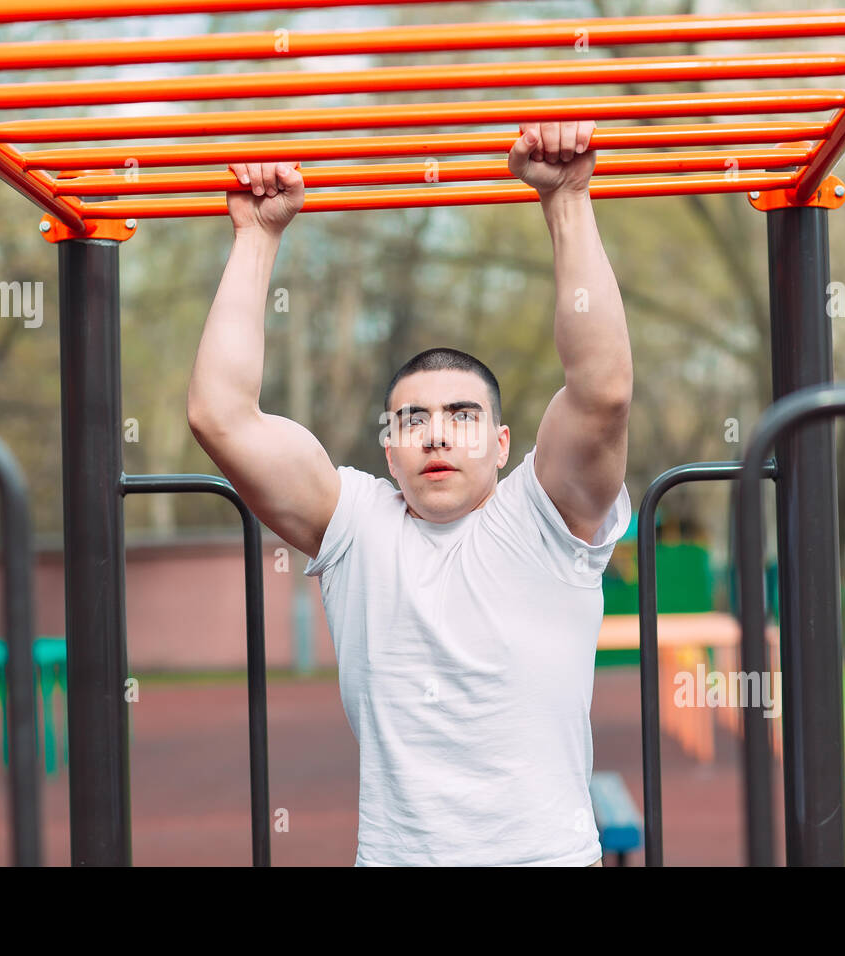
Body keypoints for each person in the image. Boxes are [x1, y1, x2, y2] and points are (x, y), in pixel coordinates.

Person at [188, 120, 633, 866]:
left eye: (463, 416)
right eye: (413, 419)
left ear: (500, 444)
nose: (436, 434)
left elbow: (604, 390)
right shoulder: (358, 523)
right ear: (388, 447)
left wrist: (567, 201)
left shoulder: (547, 518)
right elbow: (220, 416)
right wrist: (257, 238)